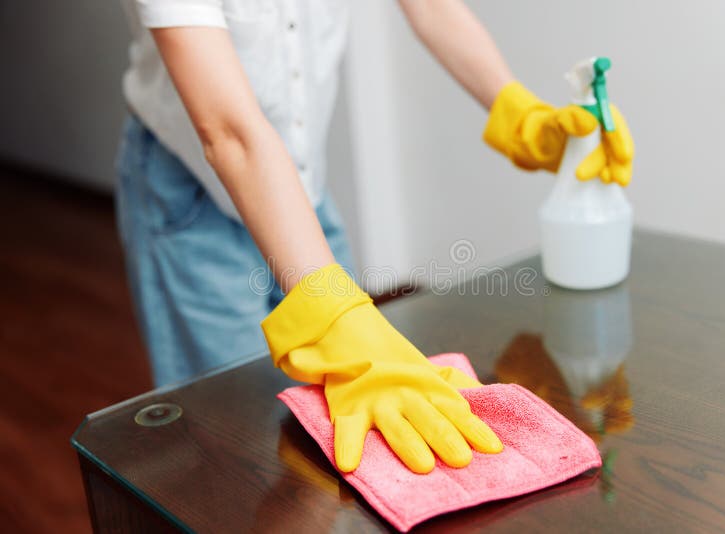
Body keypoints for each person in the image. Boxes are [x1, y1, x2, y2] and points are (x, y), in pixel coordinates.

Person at [117, 0, 634, 474]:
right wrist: (330, 310)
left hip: (303, 187)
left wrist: (521, 113)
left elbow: (430, 6)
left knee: (347, 430)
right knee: (232, 442)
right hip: (193, 197)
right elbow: (229, 132)